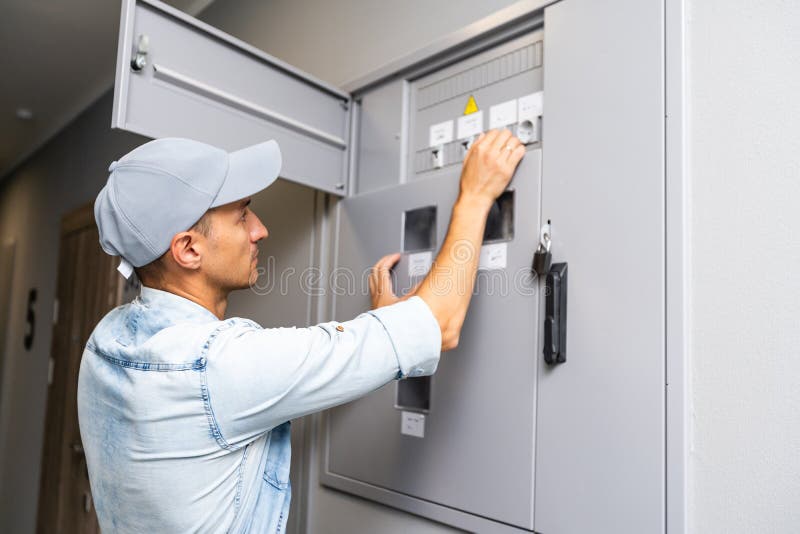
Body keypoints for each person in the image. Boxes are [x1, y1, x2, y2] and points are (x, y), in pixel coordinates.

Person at [78, 129, 525, 532]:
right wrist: (475, 197)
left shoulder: (103, 343)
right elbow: (441, 323)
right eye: (242, 216)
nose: (261, 230)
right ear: (188, 249)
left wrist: (382, 325)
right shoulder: (219, 366)